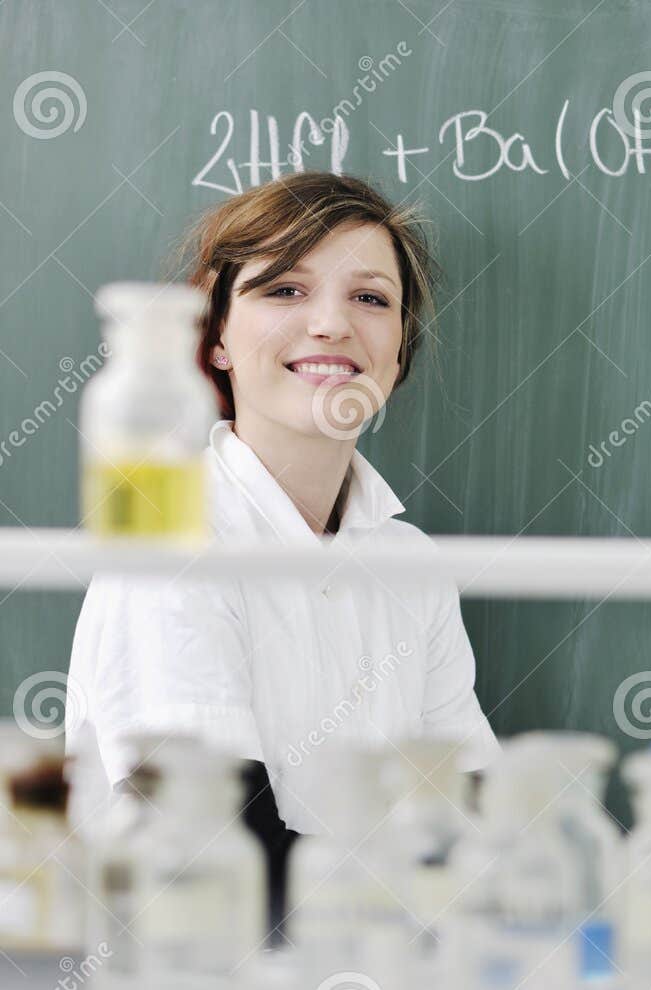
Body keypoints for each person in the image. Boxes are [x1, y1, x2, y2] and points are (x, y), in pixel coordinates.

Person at [65, 172, 499, 848]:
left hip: (379, 943)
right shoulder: (170, 532)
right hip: (208, 945)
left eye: (370, 298)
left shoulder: (410, 564)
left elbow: (474, 809)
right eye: (284, 290)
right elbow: (212, 833)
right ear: (213, 339)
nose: (331, 324)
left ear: (399, 349)